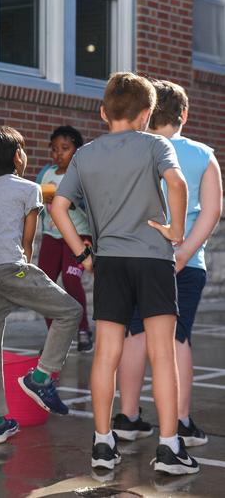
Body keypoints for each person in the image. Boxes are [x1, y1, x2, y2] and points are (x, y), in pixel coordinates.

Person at [51, 72, 198, 475]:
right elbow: (178, 183)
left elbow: (58, 207)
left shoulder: (86, 154)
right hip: (153, 259)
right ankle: (170, 449)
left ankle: (102, 444)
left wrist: (83, 253)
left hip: (109, 261)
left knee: (107, 354)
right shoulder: (156, 144)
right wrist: (177, 231)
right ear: (147, 114)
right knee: (162, 354)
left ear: (103, 112)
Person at [114, 80, 222, 448]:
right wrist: (186, 253)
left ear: (145, 113)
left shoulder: (131, 150)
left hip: (136, 257)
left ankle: (127, 417)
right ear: (184, 115)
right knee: (178, 337)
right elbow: (212, 211)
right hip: (185, 262)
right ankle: (180, 421)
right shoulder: (203, 155)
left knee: (135, 334)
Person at [0, 126, 81, 444]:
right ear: (19, 156)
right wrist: (26, 274)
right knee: (70, 311)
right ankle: (42, 377)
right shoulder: (28, 188)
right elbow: (28, 239)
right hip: (10, 270)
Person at [36, 125, 93, 352]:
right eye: (54, 149)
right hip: (51, 236)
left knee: (71, 281)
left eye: (65, 148)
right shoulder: (46, 175)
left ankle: (83, 330)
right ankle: (55, 337)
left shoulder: (82, 175)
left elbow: (91, 207)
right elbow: (38, 206)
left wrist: (72, 198)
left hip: (78, 238)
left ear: (77, 151)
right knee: (44, 285)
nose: (59, 154)